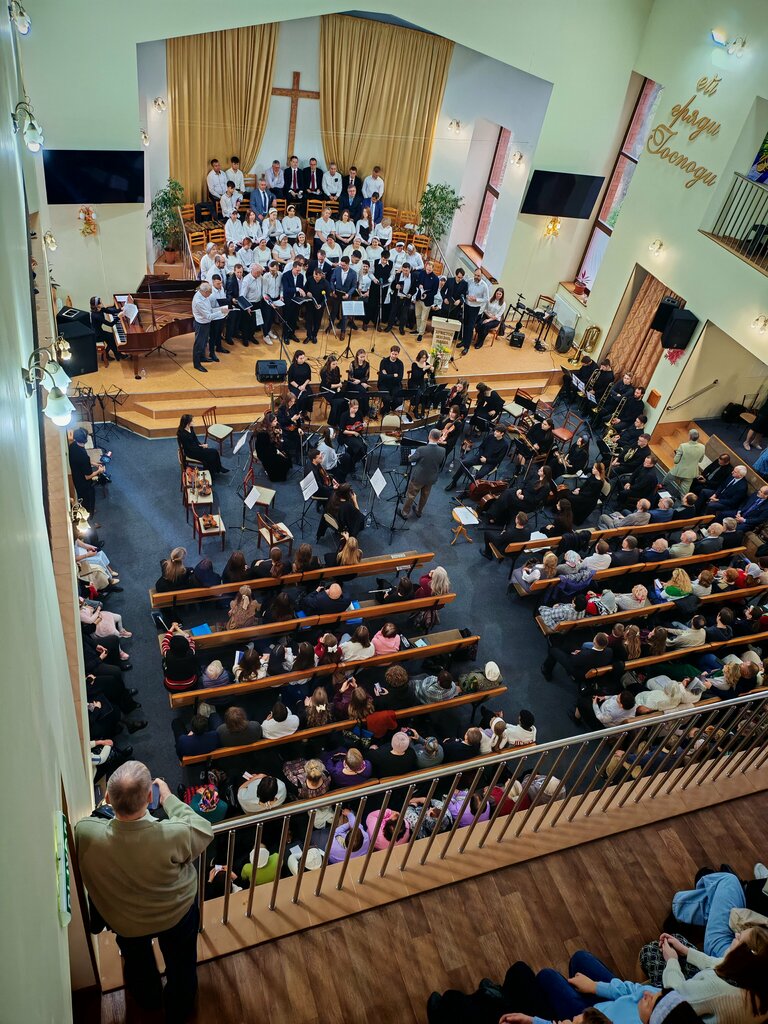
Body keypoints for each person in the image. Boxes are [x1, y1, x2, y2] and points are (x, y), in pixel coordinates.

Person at [74, 763, 213, 1020]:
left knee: (137, 963)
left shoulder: (86, 832)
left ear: (107, 798)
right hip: (176, 913)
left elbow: (90, 826)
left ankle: (147, 1000)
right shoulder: (173, 833)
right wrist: (169, 798)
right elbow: (204, 829)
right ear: (151, 798)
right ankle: (180, 1004)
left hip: (125, 921)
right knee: (181, 963)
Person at [400, 428, 445, 519]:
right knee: (425, 496)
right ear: (439, 438)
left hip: (418, 477)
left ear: (429, 436)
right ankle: (419, 511)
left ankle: (405, 513)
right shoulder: (443, 450)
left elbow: (411, 459)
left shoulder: (422, 449)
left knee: (411, 495)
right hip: (431, 478)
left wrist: (409, 457)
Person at [541, 631, 613, 683]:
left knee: (553, 650)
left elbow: (572, 661)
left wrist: (575, 654)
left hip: (577, 670)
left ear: (594, 642)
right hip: (587, 662)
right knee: (570, 646)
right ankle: (562, 645)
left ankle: (546, 670)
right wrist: (579, 653)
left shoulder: (585, 655)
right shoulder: (609, 651)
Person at [69, 427, 106, 514]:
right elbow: (88, 476)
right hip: (84, 483)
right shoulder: (83, 456)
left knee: (82, 498)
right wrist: (99, 470)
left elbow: (85, 459)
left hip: (76, 477)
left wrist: (94, 464)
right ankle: (89, 514)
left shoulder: (73, 445)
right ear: (85, 440)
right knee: (88, 501)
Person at [253, 412, 292, 481]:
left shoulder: (268, 428)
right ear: (269, 422)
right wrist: (277, 451)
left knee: (286, 452)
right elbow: (266, 448)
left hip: (269, 448)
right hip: (265, 454)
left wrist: (275, 433)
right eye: (275, 421)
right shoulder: (263, 434)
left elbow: (269, 442)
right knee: (282, 461)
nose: (277, 422)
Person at [460, 268, 490, 354]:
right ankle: (463, 341)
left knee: (470, 327)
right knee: (464, 324)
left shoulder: (484, 286)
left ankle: (467, 347)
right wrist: (467, 296)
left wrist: (476, 299)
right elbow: (465, 291)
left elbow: (486, 299)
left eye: (478, 276)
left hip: (475, 308)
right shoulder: (469, 281)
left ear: (482, 276)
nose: (476, 277)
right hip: (466, 305)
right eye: (475, 275)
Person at [89, 296, 128, 361]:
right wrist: (118, 317)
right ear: (97, 305)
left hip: (99, 331)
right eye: (101, 302)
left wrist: (120, 309)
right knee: (112, 338)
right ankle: (115, 354)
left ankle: (115, 354)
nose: (102, 303)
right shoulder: (96, 315)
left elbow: (109, 311)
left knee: (111, 338)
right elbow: (110, 324)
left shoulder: (100, 309)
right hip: (96, 335)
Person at [670, 428, 706, 493]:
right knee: (684, 492)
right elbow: (700, 460)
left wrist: (677, 454)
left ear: (689, 436)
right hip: (691, 473)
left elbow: (676, 461)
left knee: (664, 483)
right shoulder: (702, 447)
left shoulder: (683, 446)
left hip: (679, 471)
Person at [378, 345, 405, 414]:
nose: (393, 356)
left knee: (399, 400)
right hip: (384, 384)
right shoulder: (384, 361)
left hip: (395, 385)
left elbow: (399, 378)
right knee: (386, 398)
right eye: (392, 354)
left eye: (396, 354)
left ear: (398, 354)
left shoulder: (400, 364)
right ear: (390, 353)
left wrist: (387, 375)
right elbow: (382, 376)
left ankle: (391, 407)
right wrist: (393, 375)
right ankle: (385, 409)